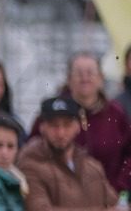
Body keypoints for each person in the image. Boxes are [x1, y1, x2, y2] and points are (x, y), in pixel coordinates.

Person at [49, 51, 131, 193]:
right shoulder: (53, 112)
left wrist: (120, 186)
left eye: (90, 72)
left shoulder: (115, 113)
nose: (85, 78)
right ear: (69, 79)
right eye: (79, 73)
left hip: (108, 197)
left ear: (101, 78)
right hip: (63, 199)